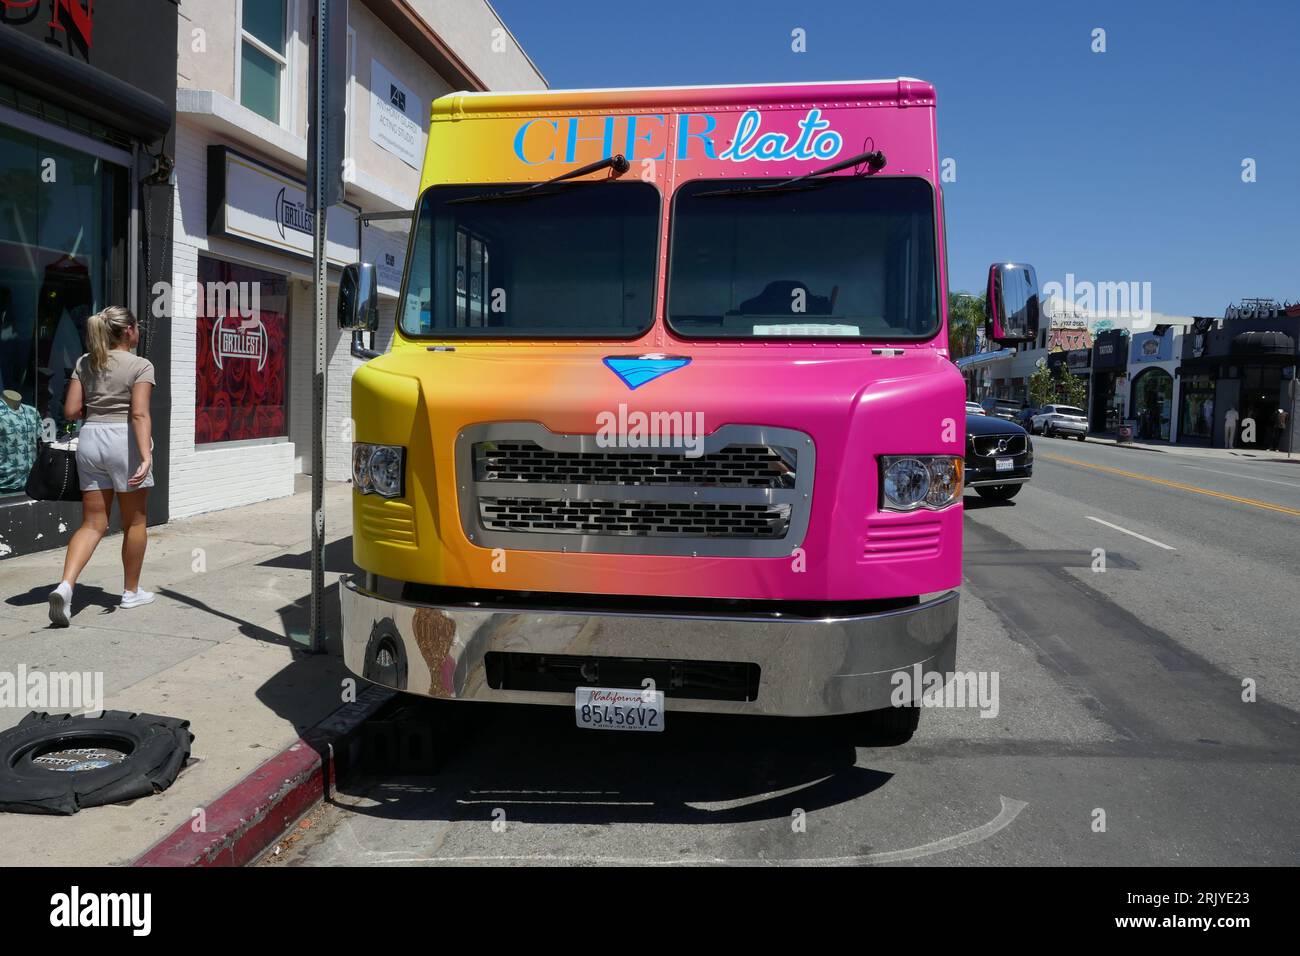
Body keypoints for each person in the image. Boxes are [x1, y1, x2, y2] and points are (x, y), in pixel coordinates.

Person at [47, 307, 155, 627]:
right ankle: (130, 592)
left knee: (93, 523)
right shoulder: (141, 365)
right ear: (129, 331)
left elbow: (70, 410)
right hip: (125, 441)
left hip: (90, 438)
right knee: (135, 522)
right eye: (138, 328)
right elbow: (138, 414)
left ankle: (66, 585)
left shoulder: (84, 361)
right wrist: (145, 454)